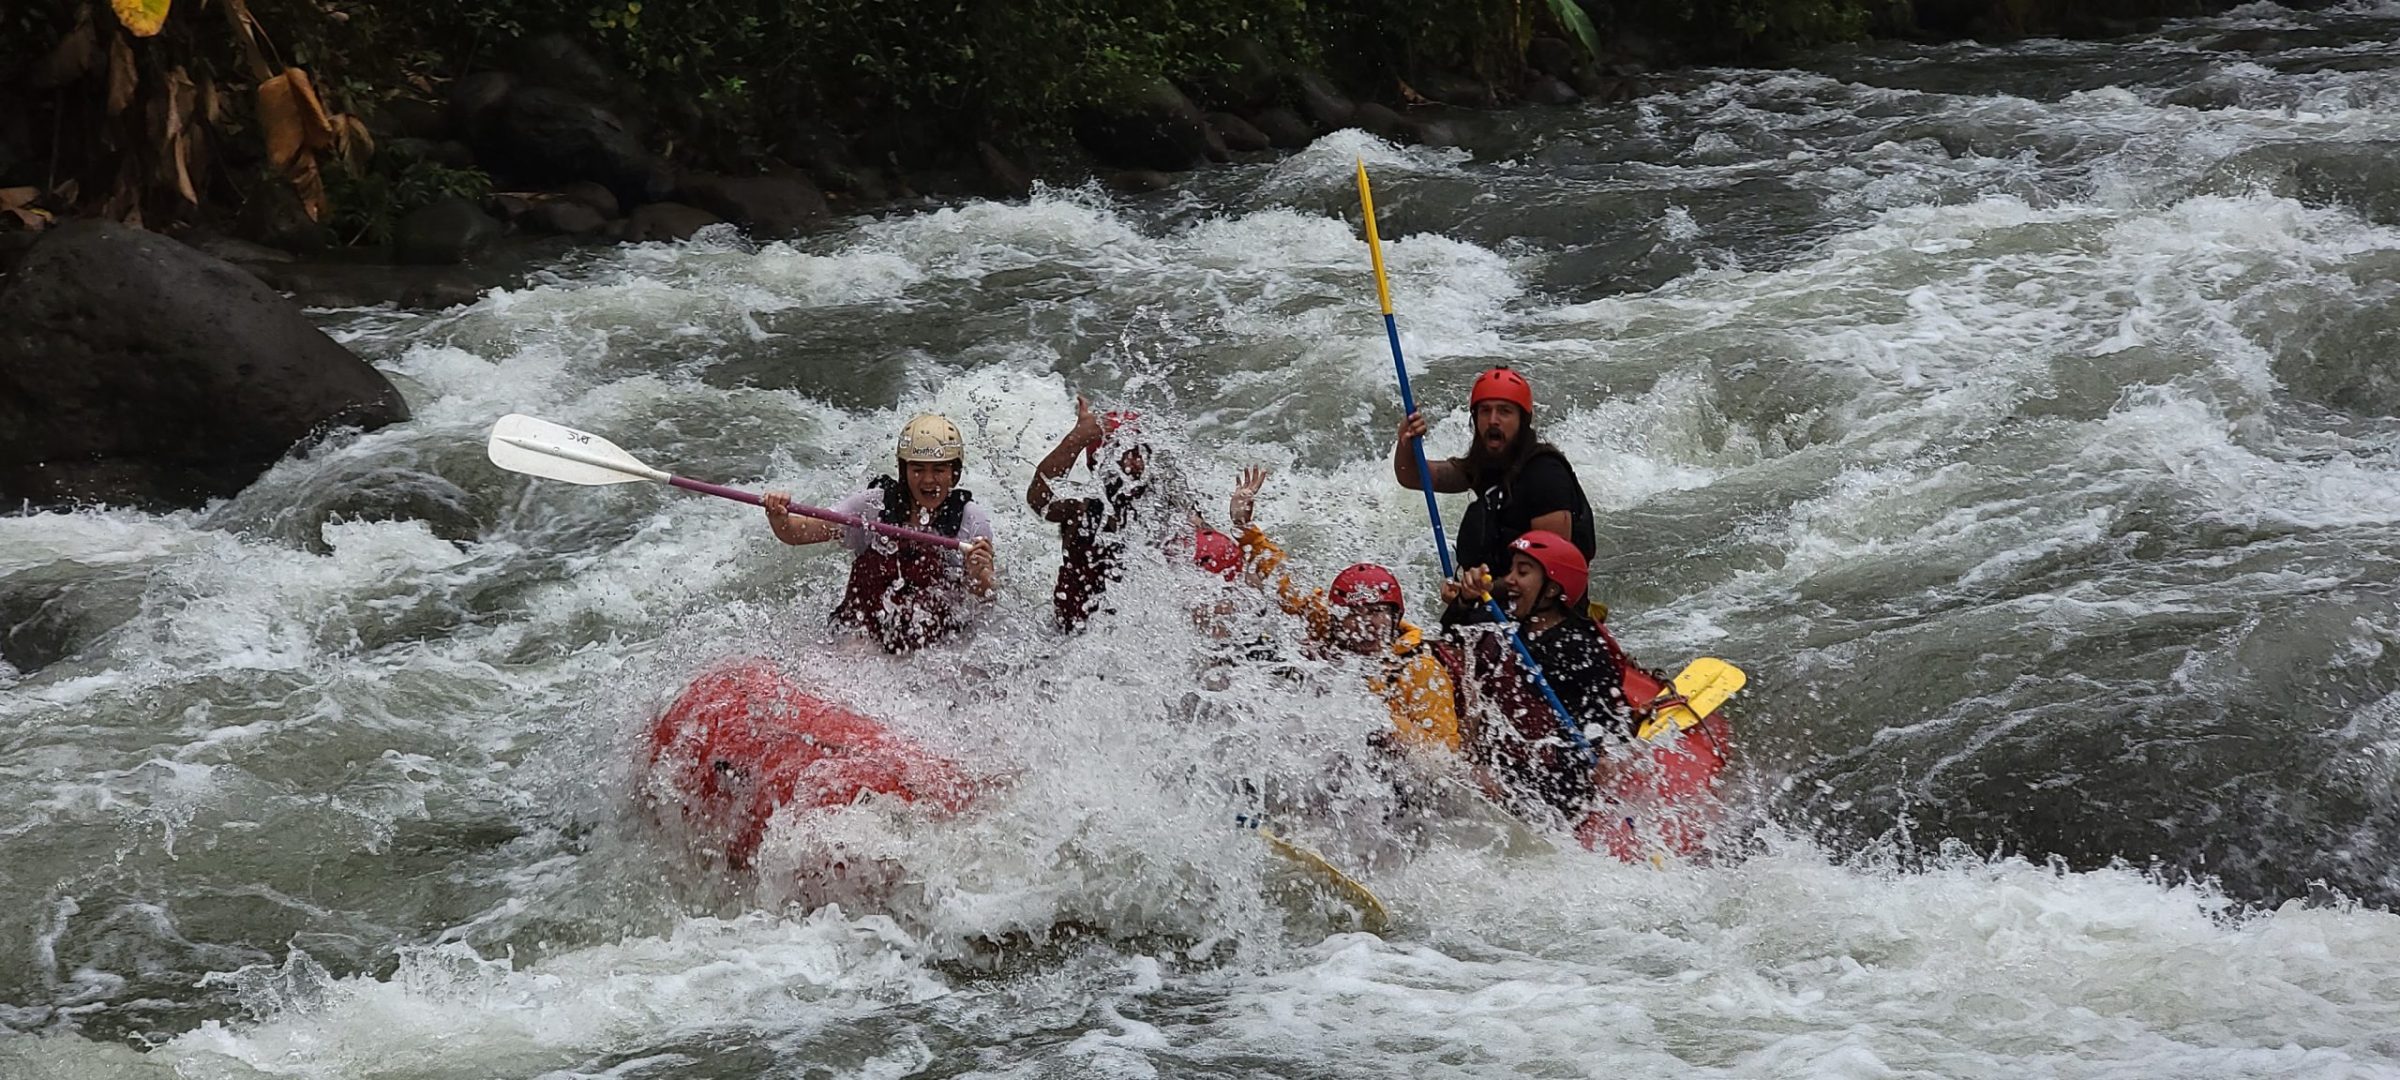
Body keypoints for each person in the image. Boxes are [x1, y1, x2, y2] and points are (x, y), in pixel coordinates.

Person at [1227, 467, 1462, 757]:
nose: (1366, 624)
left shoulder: (1420, 669)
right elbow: (1281, 579)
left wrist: (1381, 721)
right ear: (1338, 617)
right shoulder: (1327, 624)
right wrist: (1243, 526)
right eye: (1355, 614)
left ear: (1395, 617)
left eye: (1377, 612)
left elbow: (1444, 755)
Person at [1439, 530, 1633, 821]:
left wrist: (1604, 759)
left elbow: (1610, 724)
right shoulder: (1504, 622)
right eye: (1512, 570)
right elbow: (1453, 637)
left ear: (1552, 590)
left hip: (1554, 781)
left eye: (1523, 572)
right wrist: (1465, 600)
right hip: (1502, 757)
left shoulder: (1582, 649)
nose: (1510, 579)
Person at [763, 413, 997, 653]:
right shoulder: (873, 506)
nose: (928, 480)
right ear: (903, 470)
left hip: (934, 647)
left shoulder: (970, 519)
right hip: (862, 635)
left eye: (939, 470)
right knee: (854, 649)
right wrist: (779, 517)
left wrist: (978, 574)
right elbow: (798, 533)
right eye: (917, 469)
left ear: (954, 473)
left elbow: (984, 597)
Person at [1392, 366, 1596, 588]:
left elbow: (1551, 569)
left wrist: (1474, 592)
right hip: (1492, 595)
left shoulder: (1546, 475)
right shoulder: (1486, 466)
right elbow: (1412, 476)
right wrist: (1406, 441)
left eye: (1504, 411)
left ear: (1522, 420)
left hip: (1540, 602)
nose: (1493, 420)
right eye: (1485, 411)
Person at [1028, 395, 1179, 632]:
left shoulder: (1166, 513)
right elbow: (1039, 499)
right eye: (1121, 452)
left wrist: (1240, 524)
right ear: (1099, 462)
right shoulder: (1081, 508)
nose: (1131, 464)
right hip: (1070, 637)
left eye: (1139, 454)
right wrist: (1077, 440)